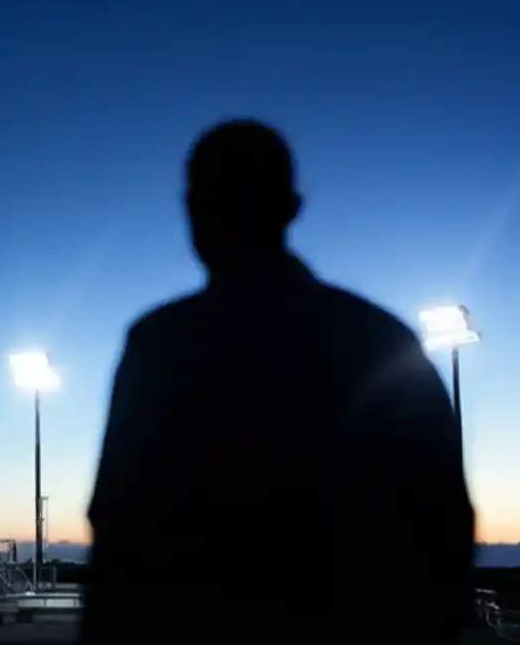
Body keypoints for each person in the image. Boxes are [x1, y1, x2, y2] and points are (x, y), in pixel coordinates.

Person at [83, 120, 475, 642]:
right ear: (292, 207)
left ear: (192, 211)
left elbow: (119, 527)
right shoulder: (379, 340)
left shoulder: (161, 345)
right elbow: (444, 525)